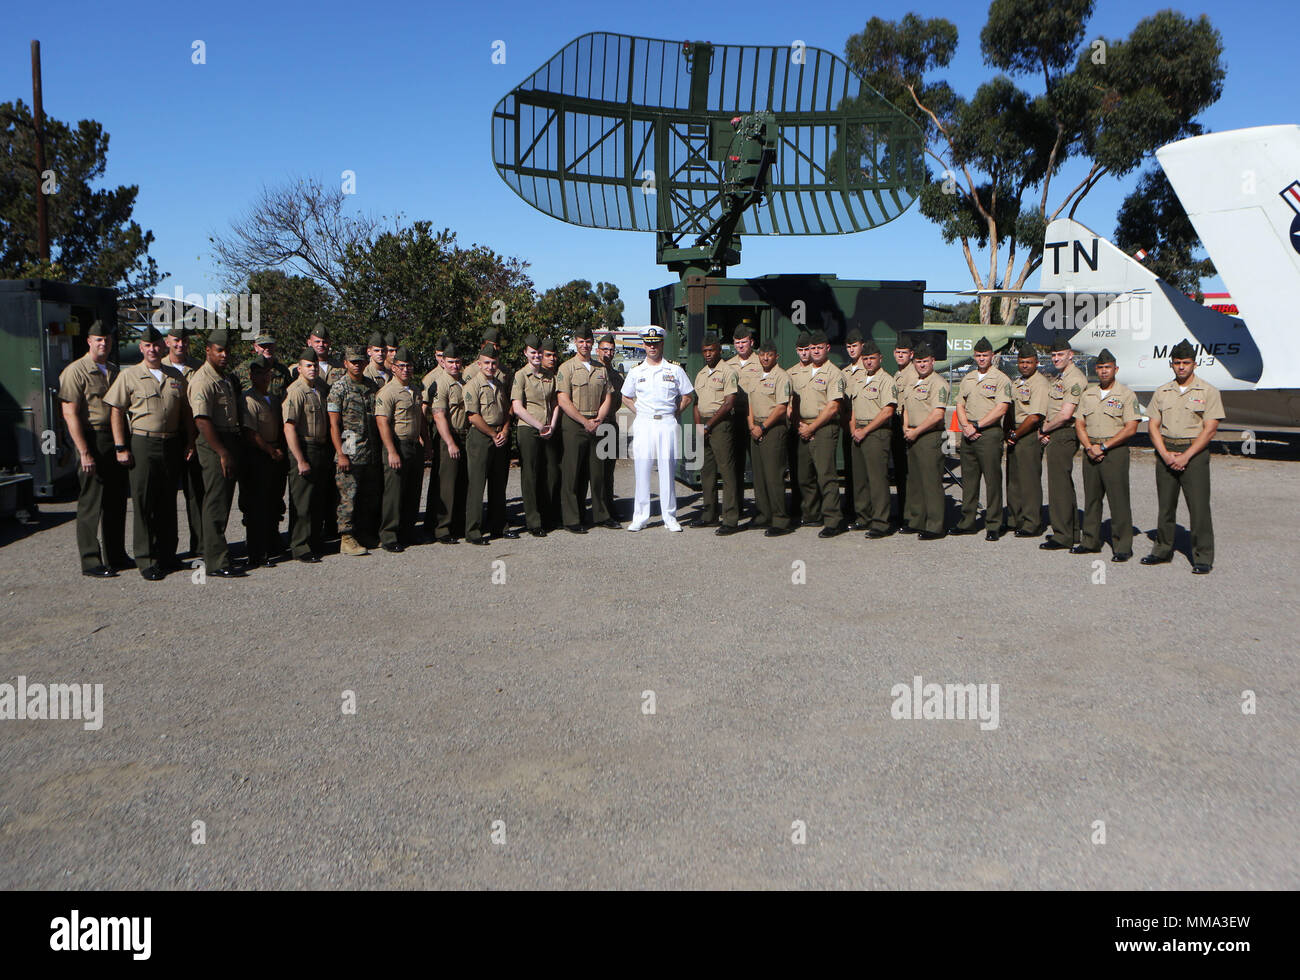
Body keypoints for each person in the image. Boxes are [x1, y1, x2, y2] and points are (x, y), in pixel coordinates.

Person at [104, 325, 196, 580]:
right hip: (143, 443)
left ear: (163, 346)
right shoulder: (130, 376)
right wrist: (121, 446)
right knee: (144, 502)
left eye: (156, 345)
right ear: (142, 348)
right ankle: (145, 558)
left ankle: (168, 555)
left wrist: (190, 441)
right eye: (148, 346)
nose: (153, 350)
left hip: (171, 443)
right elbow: (116, 411)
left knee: (167, 501)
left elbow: (187, 412)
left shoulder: (175, 376)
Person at [1142, 338, 1225, 574]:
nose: (1181, 367)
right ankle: (1162, 550)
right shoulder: (1162, 391)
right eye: (1177, 362)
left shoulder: (1208, 391)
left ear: (1194, 364)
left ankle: (1202, 556)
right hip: (1166, 451)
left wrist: (1186, 456)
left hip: (1194, 454)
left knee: (1198, 507)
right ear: (1171, 364)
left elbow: (1209, 429)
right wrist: (1165, 455)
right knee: (1166, 507)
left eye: (1186, 362)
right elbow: (1153, 427)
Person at [58, 319, 129, 577]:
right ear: (89, 341)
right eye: (98, 339)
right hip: (91, 438)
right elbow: (70, 413)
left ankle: (116, 554)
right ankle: (90, 561)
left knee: (116, 499)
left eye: (107, 340)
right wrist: (84, 451)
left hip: (114, 438)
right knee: (91, 502)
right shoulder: (75, 371)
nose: (103, 343)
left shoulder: (112, 370)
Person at [621, 325, 693, 531]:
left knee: (667, 470)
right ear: (643, 345)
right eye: (648, 343)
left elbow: (688, 395)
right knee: (642, 470)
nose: (652, 347)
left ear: (662, 344)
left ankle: (670, 517)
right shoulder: (636, 371)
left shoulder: (674, 369)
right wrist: (639, 411)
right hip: (644, 423)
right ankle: (640, 517)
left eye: (656, 343)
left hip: (667, 423)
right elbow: (625, 396)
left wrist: (676, 412)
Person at [189, 328, 246, 577]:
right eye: (219, 350)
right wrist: (222, 452)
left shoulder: (222, 377)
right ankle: (216, 562)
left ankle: (216, 552)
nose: (224, 355)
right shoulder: (203, 380)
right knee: (215, 502)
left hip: (228, 439)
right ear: (208, 351)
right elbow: (202, 421)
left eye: (226, 351)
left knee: (222, 501)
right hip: (214, 443)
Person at [1073, 348, 1141, 561]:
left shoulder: (1126, 394)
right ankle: (1090, 541)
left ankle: (1122, 546)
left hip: (1114, 452)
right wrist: (1089, 446)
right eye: (1100, 368)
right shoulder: (1089, 394)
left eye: (1108, 368)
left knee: (1118, 499)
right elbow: (1079, 423)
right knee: (1092, 499)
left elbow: (1131, 428)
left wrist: (1104, 447)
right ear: (1096, 369)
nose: (1104, 371)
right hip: (1090, 450)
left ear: (1116, 369)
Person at [557, 326, 616, 533]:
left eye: (588, 341)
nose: (585, 345)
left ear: (593, 343)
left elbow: (607, 396)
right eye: (581, 341)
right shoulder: (566, 368)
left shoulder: (600, 369)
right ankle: (572, 519)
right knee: (573, 473)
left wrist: (599, 417)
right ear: (575, 342)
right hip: (575, 424)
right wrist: (584, 421)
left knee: (598, 473)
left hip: (597, 422)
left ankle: (602, 515)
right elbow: (563, 400)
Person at [789, 329, 848, 537]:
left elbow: (833, 407)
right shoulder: (800, 372)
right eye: (812, 348)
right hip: (802, 426)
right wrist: (800, 425)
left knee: (826, 475)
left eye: (818, 347)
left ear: (827, 348)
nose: (814, 351)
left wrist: (812, 428)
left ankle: (833, 520)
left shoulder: (834, 373)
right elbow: (792, 403)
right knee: (804, 475)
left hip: (823, 428)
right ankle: (812, 514)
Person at [952, 337, 1012, 540]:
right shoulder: (968, 378)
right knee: (969, 480)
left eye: (985, 355)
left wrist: (978, 425)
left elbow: (1001, 408)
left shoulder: (1001, 379)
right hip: (968, 432)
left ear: (992, 356)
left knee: (992, 480)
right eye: (978, 355)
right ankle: (967, 521)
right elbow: (960, 404)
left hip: (989, 433)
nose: (981, 359)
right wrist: (965, 426)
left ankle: (994, 523)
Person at [375, 347, 431, 552]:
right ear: (393, 368)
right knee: (394, 493)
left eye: (409, 366)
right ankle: (389, 535)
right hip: (397, 444)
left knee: (412, 491)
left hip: (414, 445)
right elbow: (382, 422)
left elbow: (421, 420)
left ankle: (408, 531)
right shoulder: (388, 392)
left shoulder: (415, 390)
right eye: (401, 366)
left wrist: (427, 444)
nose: (406, 369)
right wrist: (391, 451)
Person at [329, 346, 381, 557]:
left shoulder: (371, 385)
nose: (357, 365)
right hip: (349, 446)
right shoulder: (339, 388)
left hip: (369, 448)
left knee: (368, 494)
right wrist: (341, 454)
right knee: (347, 494)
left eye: (360, 361)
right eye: (353, 362)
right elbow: (333, 424)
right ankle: (346, 537)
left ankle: (364, 532)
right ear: (346, 363)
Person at [462, 346, 518, 544]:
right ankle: (474, 531)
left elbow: (506, 412)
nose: (490, 367)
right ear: (479, 364)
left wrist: (504, 430)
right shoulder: (472, 386)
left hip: (499, 436)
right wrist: (493, 434)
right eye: (486, 363)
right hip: (481, 437)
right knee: (477, 485)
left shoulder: (500, 385)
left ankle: (498, 525)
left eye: (494, 363)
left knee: (498, 484)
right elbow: (473, 416)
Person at [282, 348, 331, 562]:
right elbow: (289, 427)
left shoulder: (319, 389)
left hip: (320, 447)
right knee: (302, 501)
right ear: (299, 368)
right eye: (308, 366)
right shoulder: (296, 391)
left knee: (318, 499)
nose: (313, 369)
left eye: (315, 366)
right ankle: (300, 546)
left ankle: (314, 540)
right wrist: (300, 459)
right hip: (304, 447)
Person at [1039, 339, 1087, 551]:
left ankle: (1063, 535)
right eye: (1054, 355)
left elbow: (1066, 413)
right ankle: (1072, 531)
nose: (1056, 358)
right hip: (1057, 432)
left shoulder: (1074, 378)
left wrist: (1044, 429)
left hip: (1064, 432)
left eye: (1060, 355)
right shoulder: (1062, 377)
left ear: (1071, 355)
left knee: (1058, 485)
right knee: (1063, 484)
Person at [846, 339, 897, 538]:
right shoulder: (858, 380)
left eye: (872, 358)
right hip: (857, 431)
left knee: (877, 479)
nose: (868, 362)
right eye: (865, 359)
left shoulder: (886, 380)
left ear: (880, 359)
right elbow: (852, 408)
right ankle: (863, 517)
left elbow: (887, 411)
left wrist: (865, 430)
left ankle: (881, 522)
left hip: (876, 432)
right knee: (860, 479)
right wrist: (853, 428)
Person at [898, 342, 949, 539]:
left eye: (925, 362)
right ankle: (916, 520)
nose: (921, 365)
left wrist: (916, 431)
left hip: (929, 436)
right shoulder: (912, 382)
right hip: (912, 435)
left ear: (933, 361)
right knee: (915, 482)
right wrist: (906, 427)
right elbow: (906, 408)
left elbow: (937, 414)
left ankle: (935, 525)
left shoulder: (938, 384)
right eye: (918, 362)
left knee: (931, 482)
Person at [511, 335, 560, 537]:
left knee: (549, 473)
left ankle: (548, 516)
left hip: (548, 430)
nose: (537, 356)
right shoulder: (521, 376)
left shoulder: (549, 375)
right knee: (530, 476)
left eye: (539, 352)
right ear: (526, 353)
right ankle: (533, 521)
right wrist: (539, 425)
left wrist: (552, 425)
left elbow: (555, 403)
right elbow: (517, 407)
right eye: (533, 352)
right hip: (529, 429)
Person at [241, 359, 288, 567]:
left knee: (272, 503)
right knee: (256, 507)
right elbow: (251, 433)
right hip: (257, 456)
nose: (264, 377)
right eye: (259, 374)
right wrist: (271, 451)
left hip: (274, 454)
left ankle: (272, 544)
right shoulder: (248, 399)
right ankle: (256, 553)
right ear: (251, 376)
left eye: (267, 373)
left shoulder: (273, 399)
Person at [692, 331, 740, 533]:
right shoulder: (701, 373)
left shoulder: (728, 372)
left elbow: (729, 403)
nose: (708, 354)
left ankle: (730, 518)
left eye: (711, 350)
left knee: (727, 472)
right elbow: (696, 404)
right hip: (703, 425)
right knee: (707, 472)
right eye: (705, 351)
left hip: (720, 424)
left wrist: (709, 425)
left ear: (719, 350)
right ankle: (709, 514)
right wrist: (698, 426)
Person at [163, 326, 204, 556]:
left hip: (194, 434)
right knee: (166, 494)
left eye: (184, 340)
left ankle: (199, 546)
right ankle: (167, 550)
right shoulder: (158, 366)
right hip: (168, 434)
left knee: (196, 492)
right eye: (176, 340)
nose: (180, 344)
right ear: (168, 341)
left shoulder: (198, 368)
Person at [748, 338, 794, 536]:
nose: (765, 358)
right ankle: (764, 513)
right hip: (756, 427)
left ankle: (780, 519)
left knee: (774, 475)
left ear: (777, 356)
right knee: (759, 475)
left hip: (773, 428)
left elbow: (781, 407)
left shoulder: (782, 377)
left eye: (769, 355)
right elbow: (750, 403)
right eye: (762, 354)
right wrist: (751, 425)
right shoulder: (755, 376)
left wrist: (763, 427)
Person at [1004, 343, 1049, 538]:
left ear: (1036, 363)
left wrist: (1016, 434)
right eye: (1021, 362)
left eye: (1029, 362)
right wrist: (1008, 432)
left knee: (1029, 481)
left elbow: (1035, 416)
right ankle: (1015, 519)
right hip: (1015, 434)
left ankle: (1032, 523)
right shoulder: (1017, 382)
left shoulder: (1039, 383)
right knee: (1013, 480)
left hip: (1028, 434)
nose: (1025, 365)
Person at [430, 344, 469, 543]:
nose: (455, 365)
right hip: (449, 436)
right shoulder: (441, 384)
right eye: (451, 362)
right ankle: (442, 529)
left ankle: (458, 524)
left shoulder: (463, 381)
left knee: (462, 482)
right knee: (447, 485)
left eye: (458, 362)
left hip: (464, 435)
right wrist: (450, 442)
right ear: (443, 362)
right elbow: (439, 416)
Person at [724, 321, 763, 518]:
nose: (740, 346)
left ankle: (762, 510)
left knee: (758, 466)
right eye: (737, 342)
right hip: (735, 419)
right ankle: (736, 507)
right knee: (735, 465)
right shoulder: (728, 365)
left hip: (755, 419)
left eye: (744, 342)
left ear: (752, 342)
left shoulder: (761, 362)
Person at [420, 334, 451, 540]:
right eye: (439, 355)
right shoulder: (430, 379)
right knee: (439, 479)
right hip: (436, 430)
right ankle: (432, 522)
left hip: (454, 429)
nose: (442, 359)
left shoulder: (459, 373)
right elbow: (423, 409)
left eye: (445, 355)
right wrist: (424, 439)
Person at [890, 333, 919, 530]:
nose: (901, 356)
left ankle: (911, 516)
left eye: (904, 353)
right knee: (901, 472)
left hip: (908, 424)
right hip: (897, 423)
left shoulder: (913, 374)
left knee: (910, 473)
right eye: (898, 352)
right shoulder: (898, 374)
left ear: (911, 354)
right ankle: (903, 513)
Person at [786, 331, 814, 523]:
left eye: (807, 349)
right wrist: (798, 423)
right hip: (796, 426)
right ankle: (797, 507)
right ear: (796, 351)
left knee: (812, 473)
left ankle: (812, 512)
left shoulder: (818, 370)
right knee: (796, 471)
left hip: (815, 427)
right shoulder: (790, 373)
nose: (804, 353)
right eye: (801, 350)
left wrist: (809, 427)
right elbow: (786, 404)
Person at [596, 333, 624, 521]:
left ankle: (609, 507)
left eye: (611, 350)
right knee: (593, 470)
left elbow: (619, 401)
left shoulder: (616, 376)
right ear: (598, 350)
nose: (608, 353)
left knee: (608, 471)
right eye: (605, 349)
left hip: (610, 424)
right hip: (593, 424)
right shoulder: (591, 370)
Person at [840, 328, 866, 528]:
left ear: (862, 346)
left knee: (865, 474)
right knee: (850, 472)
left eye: (854, 346)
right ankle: (852, 509)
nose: (851, 350)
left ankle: (866, 513)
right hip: (848, 427)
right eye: (848, 346)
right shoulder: (844, 373)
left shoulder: (869, 370)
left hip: (865, 427)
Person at [540, 338, 566, 530]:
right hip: (538, 429)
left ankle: (554, 513)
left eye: (554, 355)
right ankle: (541, 515)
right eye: (548, 355)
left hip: (557, 430)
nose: (552, 359)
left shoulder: (558, 376)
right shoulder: (533, 376)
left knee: (555, 473)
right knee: (539, 474)